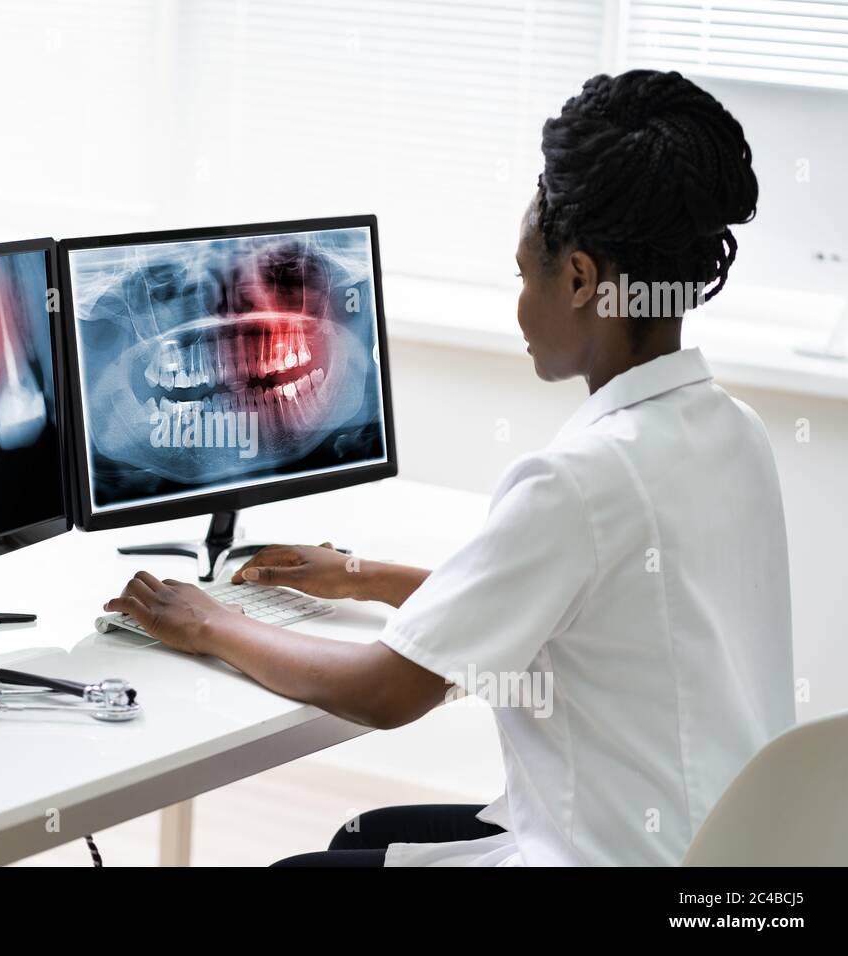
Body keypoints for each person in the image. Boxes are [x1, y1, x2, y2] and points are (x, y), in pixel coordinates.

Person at [103, 69, 794, 866]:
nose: (518, 307)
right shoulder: (731, 431)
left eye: (522, 275)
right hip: (723, 858)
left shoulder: (579, 482)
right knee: (361, 838)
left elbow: (385, 691)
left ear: (578, 280)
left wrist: (212, 624)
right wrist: (358, 574)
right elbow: (576, 599)